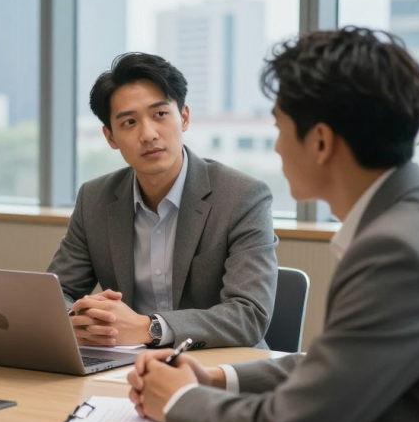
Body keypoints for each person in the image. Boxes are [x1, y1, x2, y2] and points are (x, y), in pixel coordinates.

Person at [128, 27, 419, 422]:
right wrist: (215, 378)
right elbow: (338, 365)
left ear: (320, 142)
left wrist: (178, 402)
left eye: (279, 128)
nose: (277, 147)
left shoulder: (397, 253)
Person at [50, 52, 278, 349]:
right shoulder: (93, 199)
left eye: (160, 114)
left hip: (219, 369)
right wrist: (77, 319)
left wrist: (151, 328)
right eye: (129, 122)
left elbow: (249, 315)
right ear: (110, 137)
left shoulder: (242, 197)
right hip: (126, 368)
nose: (148, 134)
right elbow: (56, 292)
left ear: (183, 117)